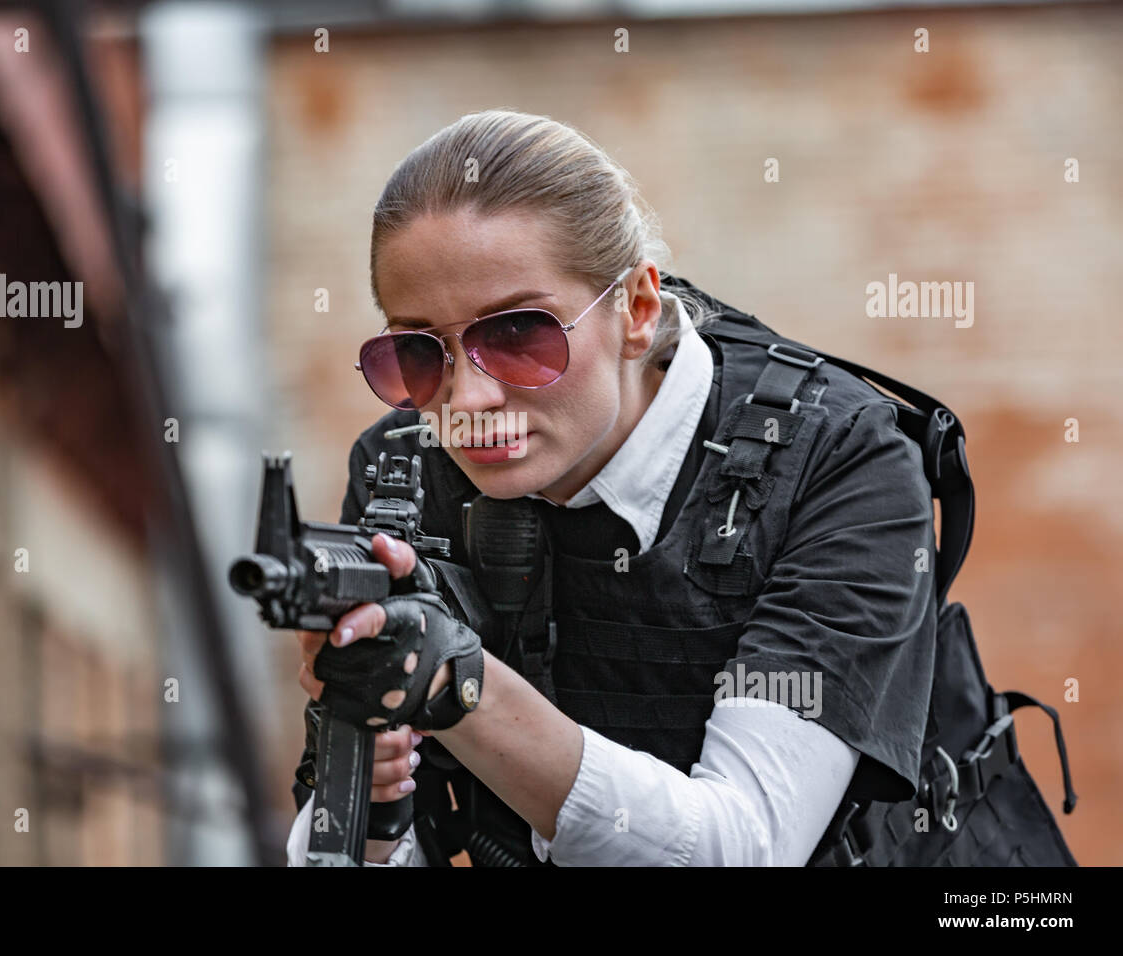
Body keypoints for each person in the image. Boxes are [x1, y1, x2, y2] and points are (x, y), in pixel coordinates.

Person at [285, 108, 936, 866]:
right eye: (419, 352)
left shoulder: (837, 458)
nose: (464, 404)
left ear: (637, 309)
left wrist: (455, 684)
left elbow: (747, 846)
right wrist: (368, 800)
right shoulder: (403, 467)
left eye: (519, 334)